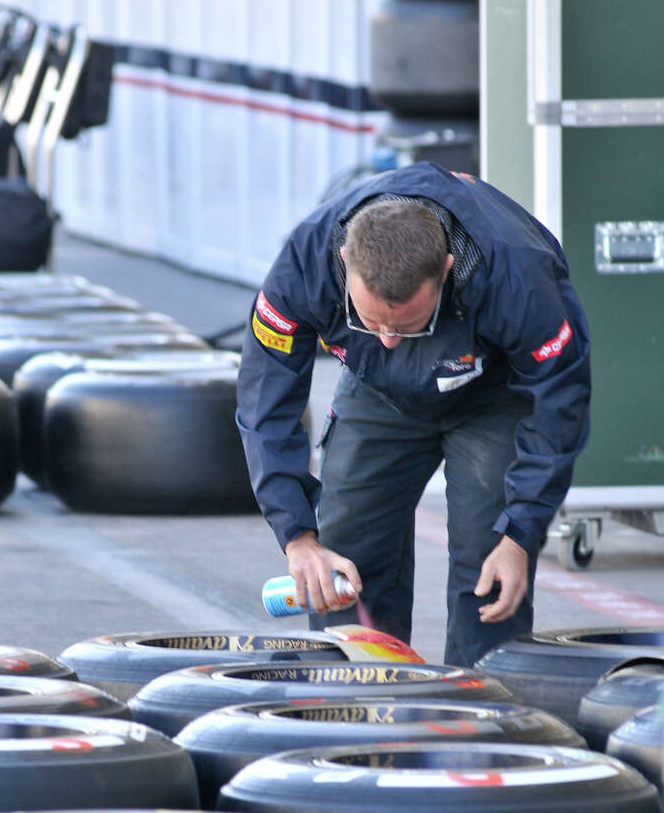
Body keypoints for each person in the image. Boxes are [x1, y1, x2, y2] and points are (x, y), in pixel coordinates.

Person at [235, 161, 591, 666]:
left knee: (488, 568)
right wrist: (296, 536)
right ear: (345, 263)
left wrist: (521, 534)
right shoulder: (305, 264)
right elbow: (264, 401)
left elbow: (560, 401)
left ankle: (480, 701)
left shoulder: (517, 273)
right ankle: (358, 697)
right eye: (370, 320)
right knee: (346, 556)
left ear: (446, 270)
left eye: (406, 325)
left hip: (492, 397)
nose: (387, 338)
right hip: (375, 390)